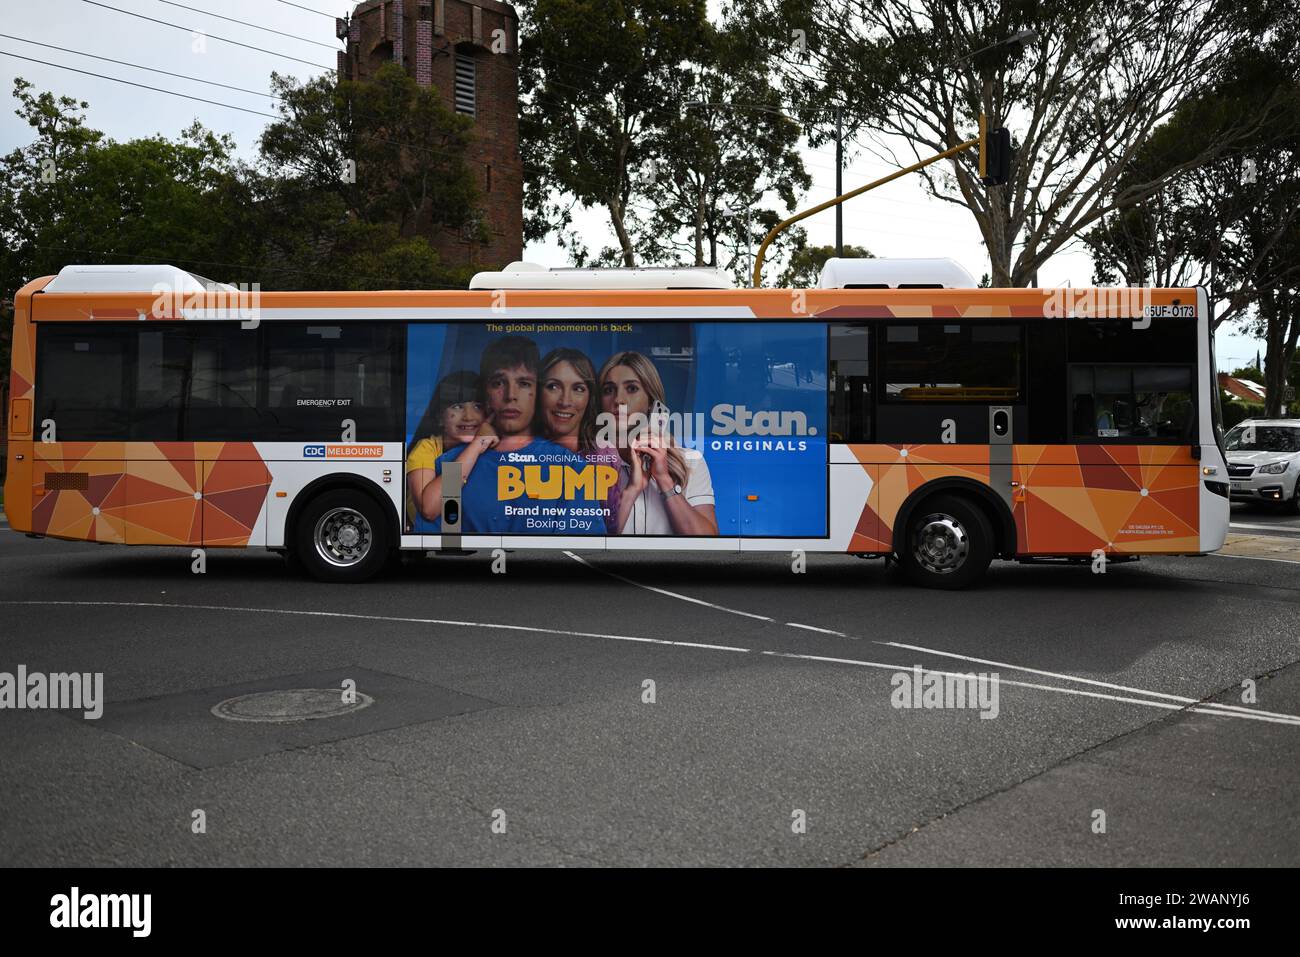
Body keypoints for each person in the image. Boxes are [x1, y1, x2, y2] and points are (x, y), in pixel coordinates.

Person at [424, 336, 606, 535]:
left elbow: (577, 550)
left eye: (524, 383)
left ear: (537, 391)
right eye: (498, 383)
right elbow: (446, 543)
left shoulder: (572, 467)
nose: (511, 394)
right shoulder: (453, 461)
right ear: (485, 391)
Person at [599, 350, 718, 536]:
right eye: (608, 390)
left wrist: (665, 481)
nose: (618, 400)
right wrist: (631, 490)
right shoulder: (586, 464)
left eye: (631, 389)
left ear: (651, 402)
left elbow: (707, 541)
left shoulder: (689, 462)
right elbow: (588, 545)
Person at [539, 348, 622, 533]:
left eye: (578, 389)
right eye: (553, 386)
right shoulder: (520, 449)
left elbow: (610, 533)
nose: (565, 401)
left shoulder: (603, 455)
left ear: (589, 398)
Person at [405, 371, 483, 529]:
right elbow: (429, 509)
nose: (469, 416)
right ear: (440, 417)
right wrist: (476, 446)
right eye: (457, 406)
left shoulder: (494, 447)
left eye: (477, 406)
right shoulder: (426, 449)